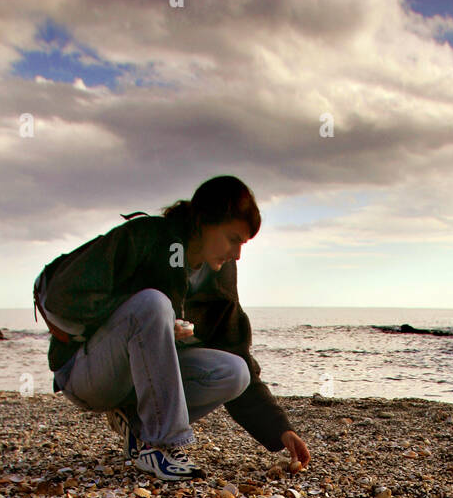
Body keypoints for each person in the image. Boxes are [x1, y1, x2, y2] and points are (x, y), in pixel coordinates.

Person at [41, 176, 310, 480]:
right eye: (233, 239)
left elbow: (235, 348)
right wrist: (140, 318)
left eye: (243, 244)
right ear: (204, 221)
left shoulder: (219, 274)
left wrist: (279, 428)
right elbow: (62, 295)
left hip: (133, 384)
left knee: (235, 372)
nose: (237, 255)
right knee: (154, 304)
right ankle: (161, 446)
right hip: (85, 373)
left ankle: (138, 428)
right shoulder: (145, 237)